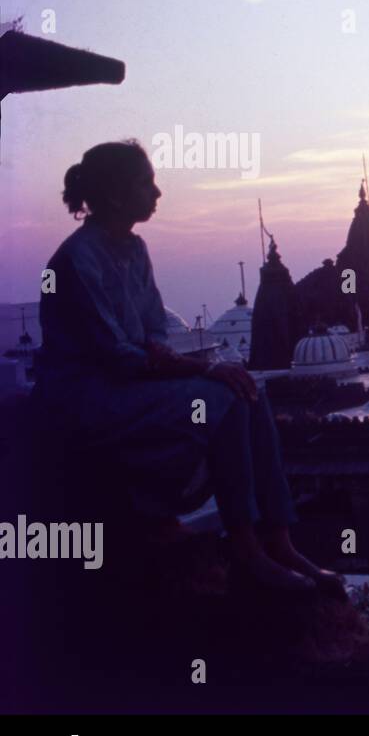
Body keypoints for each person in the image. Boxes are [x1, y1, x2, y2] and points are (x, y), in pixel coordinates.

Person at [32, 140, 344, 598]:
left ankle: (277, 539)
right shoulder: (76, 260)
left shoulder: (133, 249)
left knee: (247, 388)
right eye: (147, 183)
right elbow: (117, 354)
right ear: (117, 195)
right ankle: (244, 546)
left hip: (132, 382)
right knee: (219, 399)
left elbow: (155, 334)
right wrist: (198, 372)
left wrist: (206, 367)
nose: (157, 193)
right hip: (90, 396)